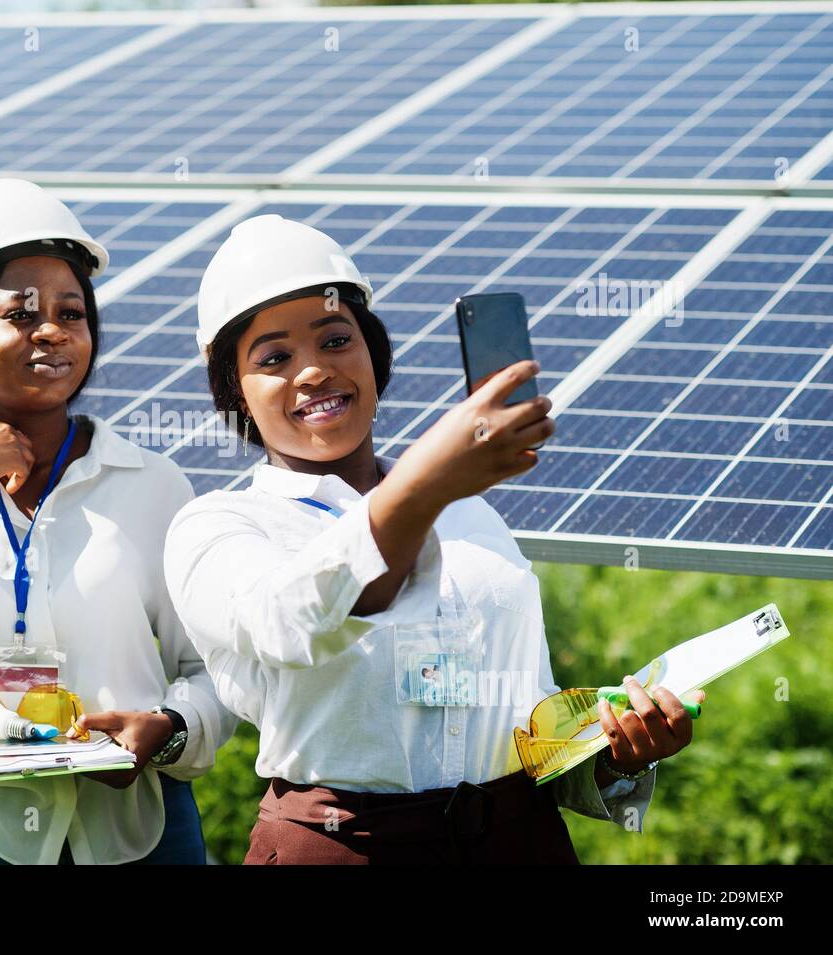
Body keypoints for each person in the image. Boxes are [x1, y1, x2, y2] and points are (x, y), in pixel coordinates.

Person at [163, 214, 706, 864]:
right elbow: (294, 619)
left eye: (336, 339)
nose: (311, 371)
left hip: (518, 843)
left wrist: (614, 755)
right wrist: (425, 484)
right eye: (274, 357)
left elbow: (526, 725)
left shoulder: (471, 515)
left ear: (373, 353)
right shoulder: (219, 528)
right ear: (238, 392)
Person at [0, 178, 234, 865]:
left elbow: (212, 668)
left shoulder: (153, 484)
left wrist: (170, 729)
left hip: (143, 828)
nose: (52, 330)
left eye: (72, 312)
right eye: (20, 313)